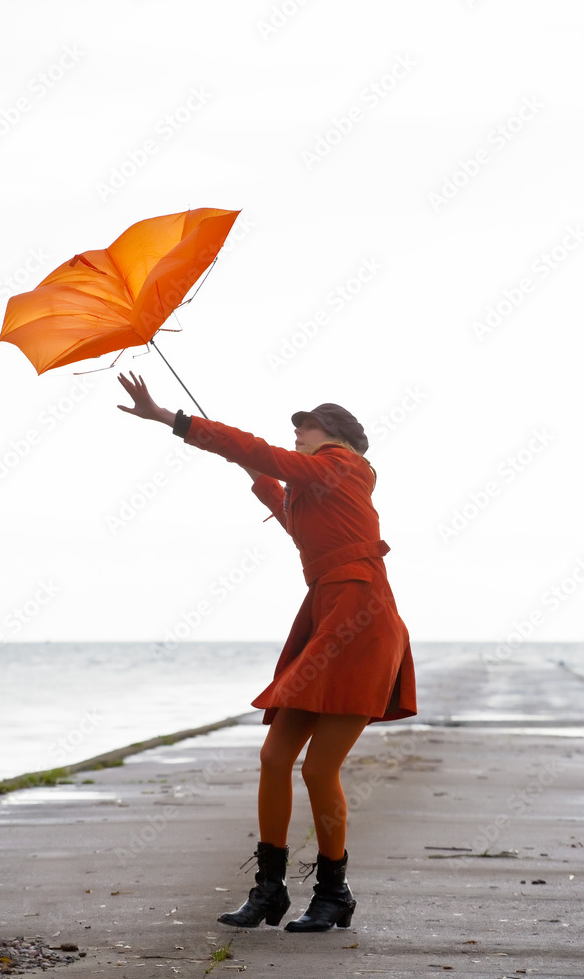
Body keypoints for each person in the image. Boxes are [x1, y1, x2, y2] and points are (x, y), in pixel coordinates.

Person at [117, 371, 416, 933]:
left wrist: (169, 418)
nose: (298, 433)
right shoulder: (317, 489)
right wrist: (244, 463)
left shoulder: (343, 467)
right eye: (298, 428)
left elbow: (260, 451)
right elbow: (279, 495)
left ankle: (334, 892)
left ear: (338, 436)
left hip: (362, 619)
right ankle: (269, 890)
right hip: (327, 615)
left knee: (320, 768)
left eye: (307, 427)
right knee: (275, 759)